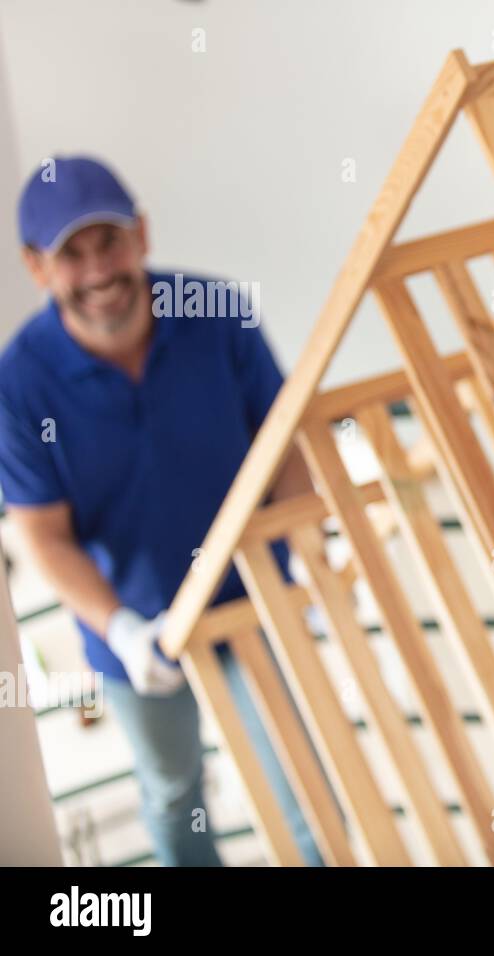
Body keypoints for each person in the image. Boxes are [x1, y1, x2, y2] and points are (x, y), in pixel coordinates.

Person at [0, 156, 325, 866]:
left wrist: (311, 556)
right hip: (135, 633)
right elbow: (43, 537)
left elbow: (285, 444)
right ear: (35, 266)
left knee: (303, 788)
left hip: (254, 602)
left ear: (142, 233)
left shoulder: (218, 314)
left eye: (109, 241)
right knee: (175, 794)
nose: (96, 272)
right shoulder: (18, 384)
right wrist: (120, 630)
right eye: (70, 254)